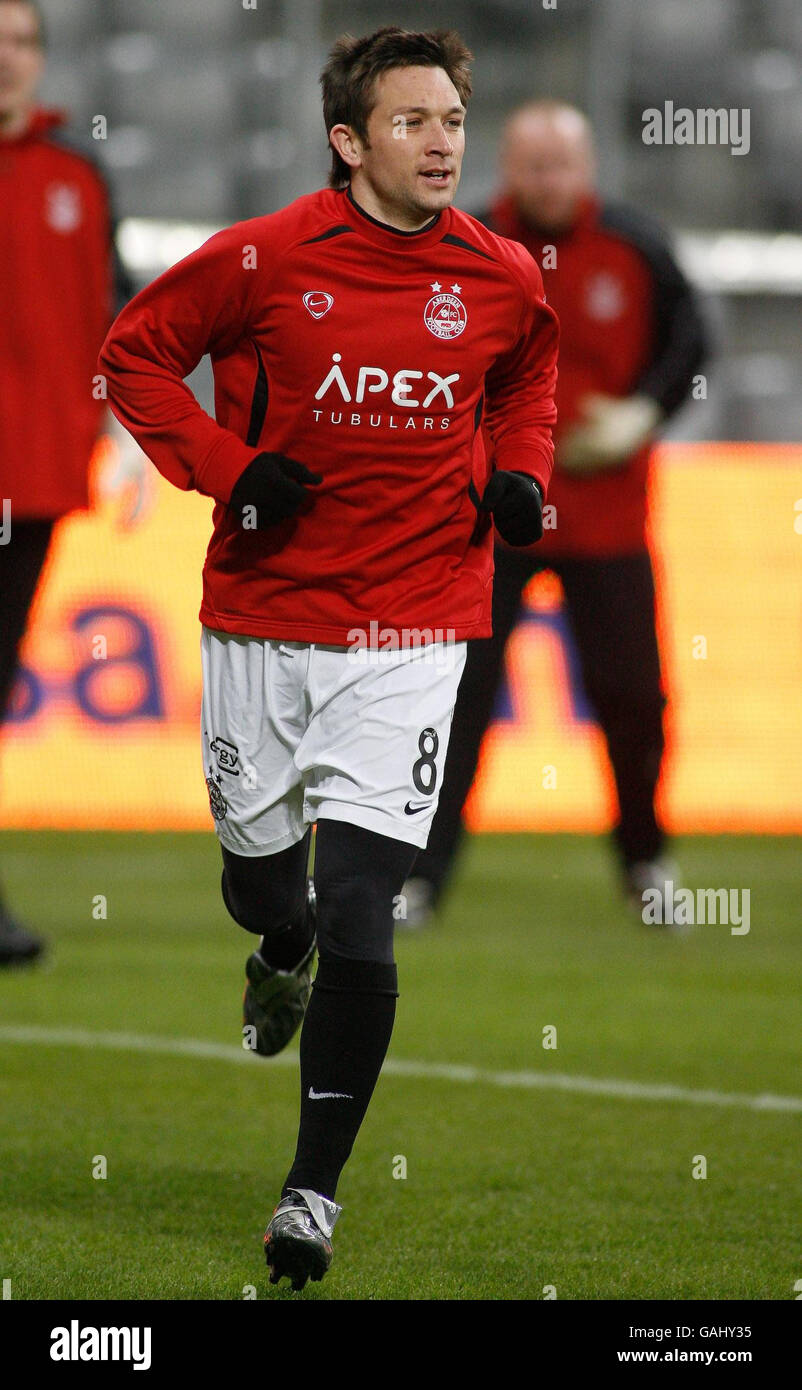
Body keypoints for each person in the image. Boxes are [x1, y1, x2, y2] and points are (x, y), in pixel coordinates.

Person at [99, 27, 559, 1289]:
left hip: (413, 629)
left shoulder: (505, 274)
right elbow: (132, 355)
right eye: (412, 121)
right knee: (268, 891)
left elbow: (528, 378)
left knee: (364, 906)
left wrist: (520, 473)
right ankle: (277, 951)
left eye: (454, 118)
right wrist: (234, 470)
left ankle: (312, 1190)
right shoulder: (261, 258)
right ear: (348, 141)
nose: (443, 141)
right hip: (262, 622)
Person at [406, 99, 708, 928]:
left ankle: (646, 862)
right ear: (507, 165)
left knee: (635, 698)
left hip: (607, 521)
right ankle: (421, 877)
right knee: (456, 700)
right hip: (487, 521)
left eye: (561, 164)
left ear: (587, 167)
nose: (547, 181)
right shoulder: (452, 245)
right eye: (533, 165)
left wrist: (645, 412)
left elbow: (691, 345)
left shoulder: (638, 248)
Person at [0, 0, 144, 966]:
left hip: (40, 474)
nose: (6, 59)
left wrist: (130, 422)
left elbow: (119, 306)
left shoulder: (78, 173)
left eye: (20, 42)